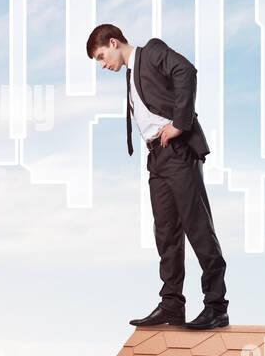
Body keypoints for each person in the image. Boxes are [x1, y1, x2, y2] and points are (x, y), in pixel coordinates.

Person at [86, 23, 230, 330]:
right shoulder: (129, 74)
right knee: (165, 233)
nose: (102, 65)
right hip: (158, 157)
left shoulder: (151, 52)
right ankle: (172, 305)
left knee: (198, 227)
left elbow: (186, 72)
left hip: (178, 150)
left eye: (101, 56)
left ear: (114, 42)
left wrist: (181, 122)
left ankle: (216, 307)